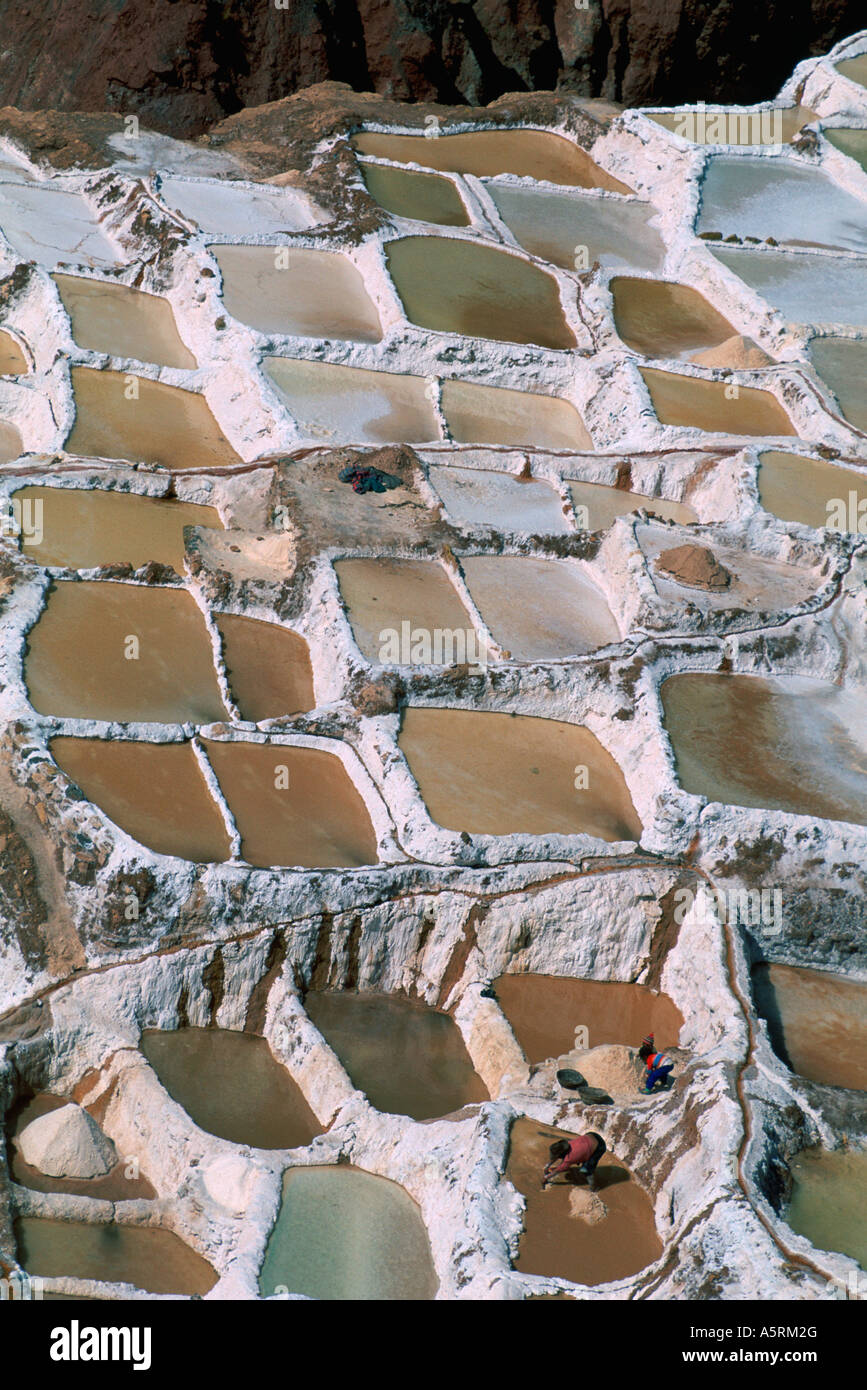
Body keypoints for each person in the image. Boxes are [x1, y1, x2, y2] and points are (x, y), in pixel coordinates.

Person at [542, 1132, 606, 1191]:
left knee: (585, 1170)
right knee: (567, 1162)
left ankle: (593, 1188)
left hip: (599, 1146)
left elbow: (557, 1171)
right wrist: (547, 1166)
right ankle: (585, 1155)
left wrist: (546, 1178)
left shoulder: (569, 1159)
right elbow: (556, 1157)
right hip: (592, 1135)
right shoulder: (567, 1144)